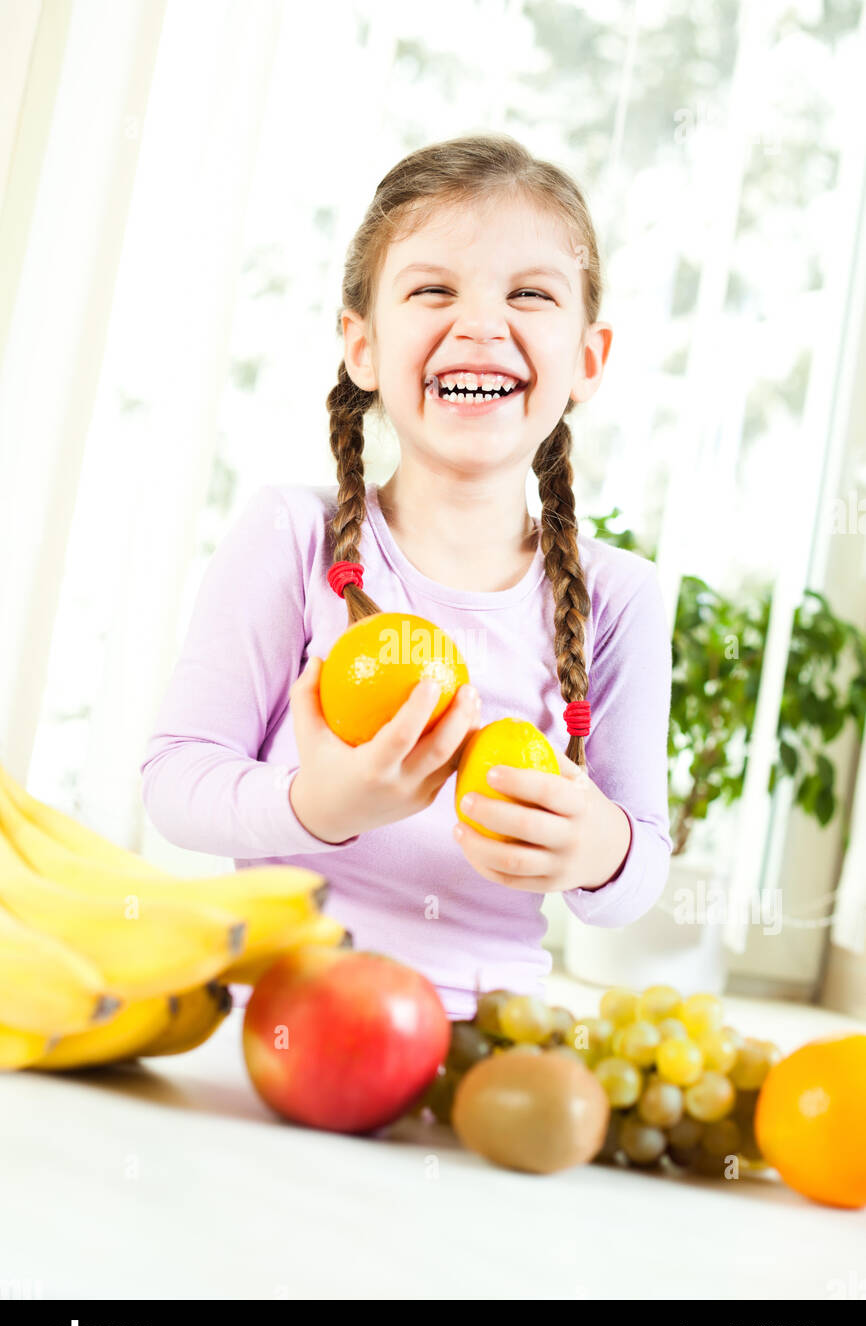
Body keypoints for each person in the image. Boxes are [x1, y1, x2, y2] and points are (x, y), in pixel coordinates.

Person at [140, 132, 673, 1021]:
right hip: (291, 1013)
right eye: (433, 290)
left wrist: (599, 851)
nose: (480, 325)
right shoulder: (290, 535)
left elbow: (638, 869)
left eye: (531, 294)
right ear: (362, 346)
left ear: (587, 359)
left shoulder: (621, 597)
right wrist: (317, 804)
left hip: (489, 1041)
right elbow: (175, 782)